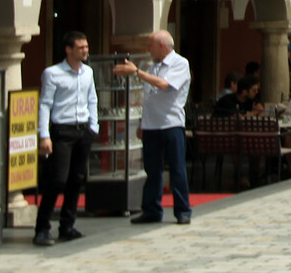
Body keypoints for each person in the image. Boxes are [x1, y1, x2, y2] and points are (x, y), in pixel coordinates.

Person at [115, 31, 192, 225]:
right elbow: (148, 98)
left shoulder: (180, 63)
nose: (148, 49)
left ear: (161, 45)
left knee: (177, 169)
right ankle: (151, 209)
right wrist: (142, 122)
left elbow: (164, 85)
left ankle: (182, 210)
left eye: (150, 45)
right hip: (151, 125)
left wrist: (137, 73)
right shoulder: (151, 66)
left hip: (171, 123)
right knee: (152, 171)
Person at [34, 31, 99, 247]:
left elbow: (92, 99)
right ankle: (42, 228)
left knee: (76, 179)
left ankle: (67, 225)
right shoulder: (53, 74)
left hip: (83, 130)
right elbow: (45, 104)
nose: (85, 51)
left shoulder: (88, 72)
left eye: (86, 47)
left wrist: (93, 126)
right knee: (57, 179)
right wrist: (44, 135)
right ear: (68, 50)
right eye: (81, 48)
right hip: (62, 130)